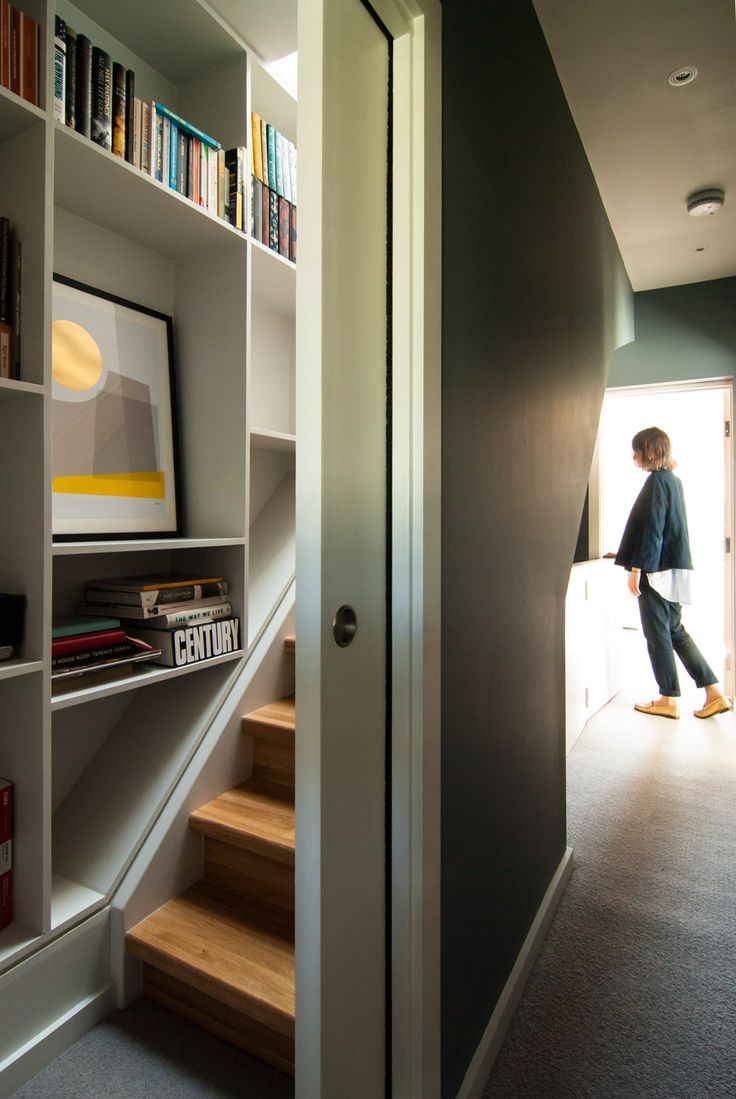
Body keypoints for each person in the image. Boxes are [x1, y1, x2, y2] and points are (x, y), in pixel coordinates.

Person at [614, 426, 731, 720]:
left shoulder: (656, 483)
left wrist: (636, 569)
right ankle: (714, 692)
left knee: (658, 635)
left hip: (656, 572)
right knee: (676, 632)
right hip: (675, 569)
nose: (633, 456)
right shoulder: (673, 481)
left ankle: (667, 698)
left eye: (636, 450)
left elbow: (652, 530)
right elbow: (666, 529)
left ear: (648, 451)